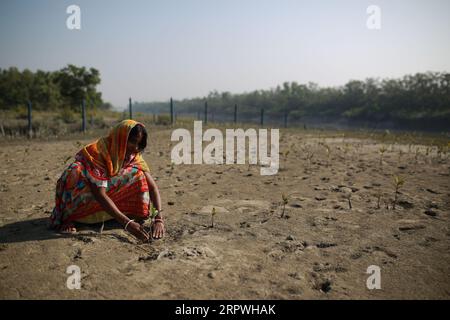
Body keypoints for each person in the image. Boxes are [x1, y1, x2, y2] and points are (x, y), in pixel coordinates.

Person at [50, 119, 164, 241]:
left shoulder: (132, 155)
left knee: (139, 175)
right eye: (132, 142)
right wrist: (127, 224)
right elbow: (100, 194)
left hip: (102, 192)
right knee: (74, 170)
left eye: (139, 144)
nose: (136, 147)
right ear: (122, 138)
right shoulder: (99, 152)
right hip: (85, 193)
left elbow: (152, 187)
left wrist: (158, 219)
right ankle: (70, 219)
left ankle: (119, 215)